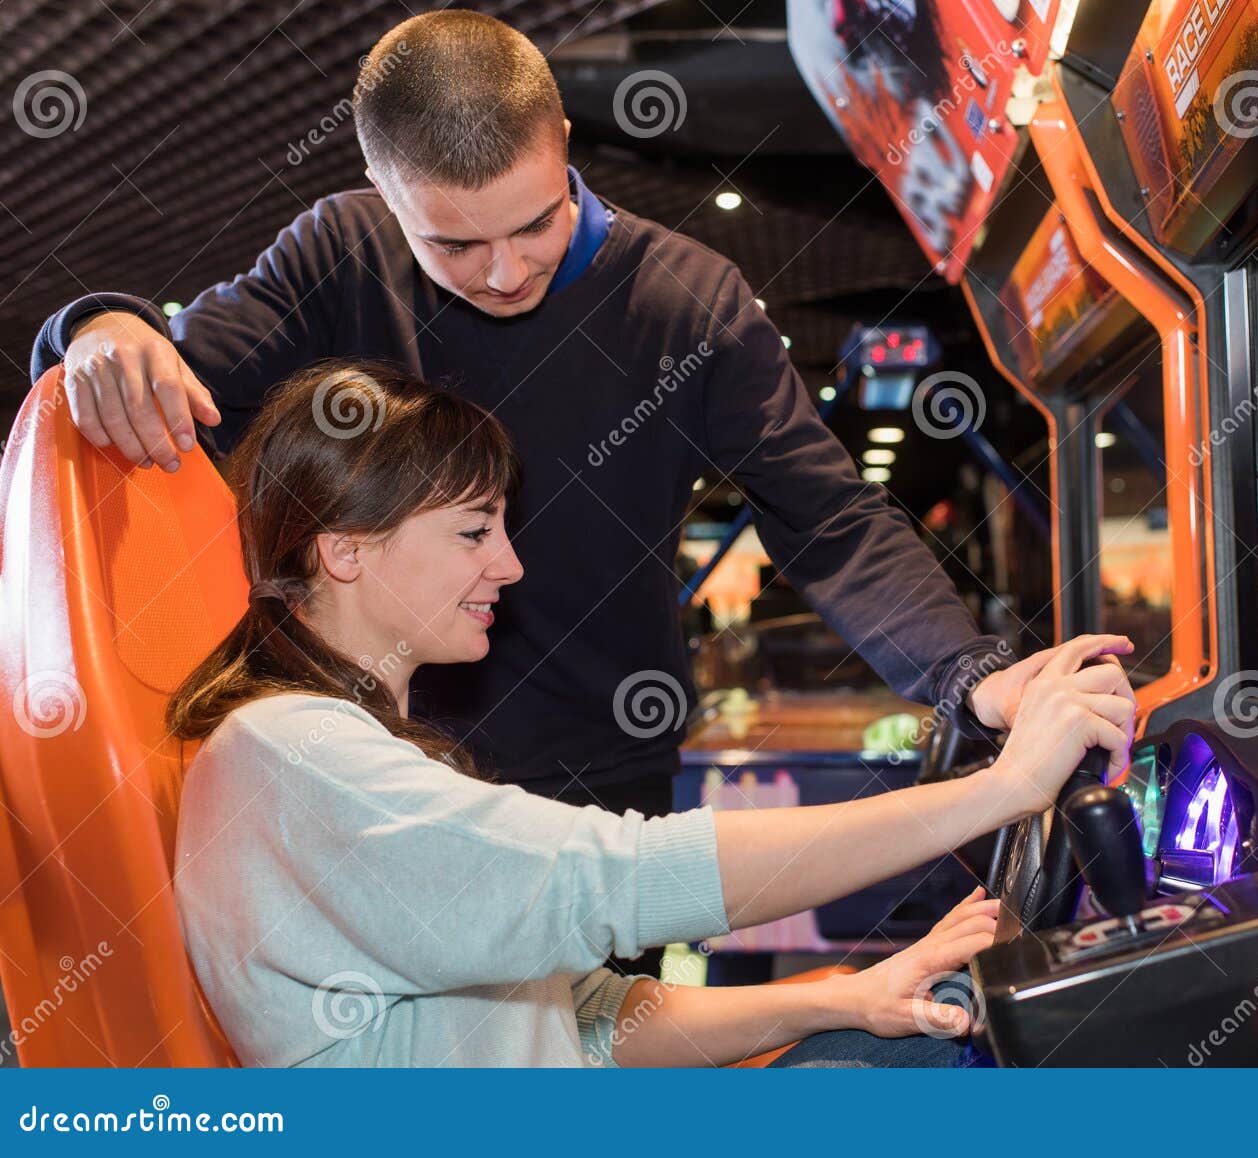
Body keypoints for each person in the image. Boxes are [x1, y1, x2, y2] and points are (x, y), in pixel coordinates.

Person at [30, 10, 1100, 837]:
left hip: (598, 768)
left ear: (565, 147)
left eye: (534, 223)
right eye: (454, 245)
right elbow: (172, 373)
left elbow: (827, 521)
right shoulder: (341, 250)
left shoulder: (688, 302)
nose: (505, 272)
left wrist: (967, 672)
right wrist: (99, 329)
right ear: (385, 193)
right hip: (361, 763)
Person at [168, 362, 1138, 1067]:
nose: (508, 563)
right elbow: (621, 879)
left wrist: (847, 998)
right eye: (472, 531)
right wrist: (1002, 788)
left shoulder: (335, 745)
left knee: (923, 1042)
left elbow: (591, 1023)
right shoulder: (285, 751)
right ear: (343, 550)